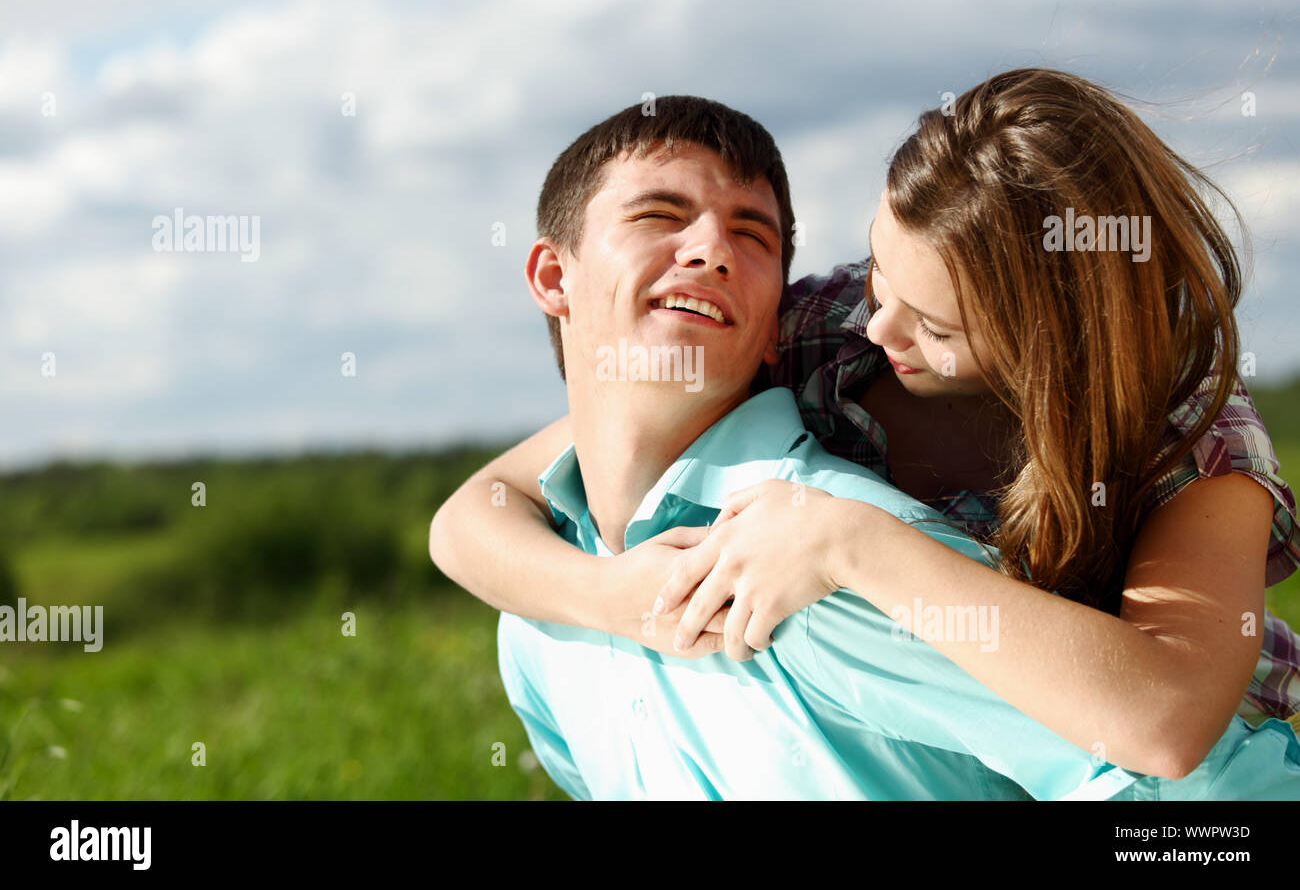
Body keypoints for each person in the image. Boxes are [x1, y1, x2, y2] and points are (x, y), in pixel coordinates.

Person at [431, 75, 1300, 798]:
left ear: (1049, 338)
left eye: (932, 323)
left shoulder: (1189, 435)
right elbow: (486, 506)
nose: (879, 330)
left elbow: (1168, 725)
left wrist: (854, 544)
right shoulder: (828, 327)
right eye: (880, 271)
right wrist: (621, 598)